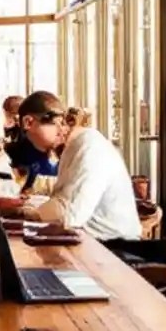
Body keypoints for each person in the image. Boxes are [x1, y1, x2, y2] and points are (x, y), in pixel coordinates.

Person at [16, 91, 140, 242]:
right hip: (91, 242)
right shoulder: (73, 146)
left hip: (115, 248)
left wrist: (27, 214)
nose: (31, 142)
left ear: (28, 122)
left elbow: (70, 214)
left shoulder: (90, 146)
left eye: (29, 135)